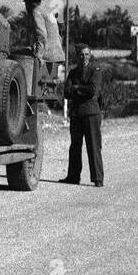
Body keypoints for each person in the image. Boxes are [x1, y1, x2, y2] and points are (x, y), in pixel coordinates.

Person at [60, 43, 104, 187]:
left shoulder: (95, 70)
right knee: (75, 146)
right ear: (77, 56)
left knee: (93, 146)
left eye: (86, 54)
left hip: (91, 113)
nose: (84, 57)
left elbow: (92, 90)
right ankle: (73, 176)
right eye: (81, 54)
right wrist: (80, 91)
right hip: (77, 114)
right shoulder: (73, 73)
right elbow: (66, 93)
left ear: (90, 55)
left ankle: (98, 178)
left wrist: (77, 88)